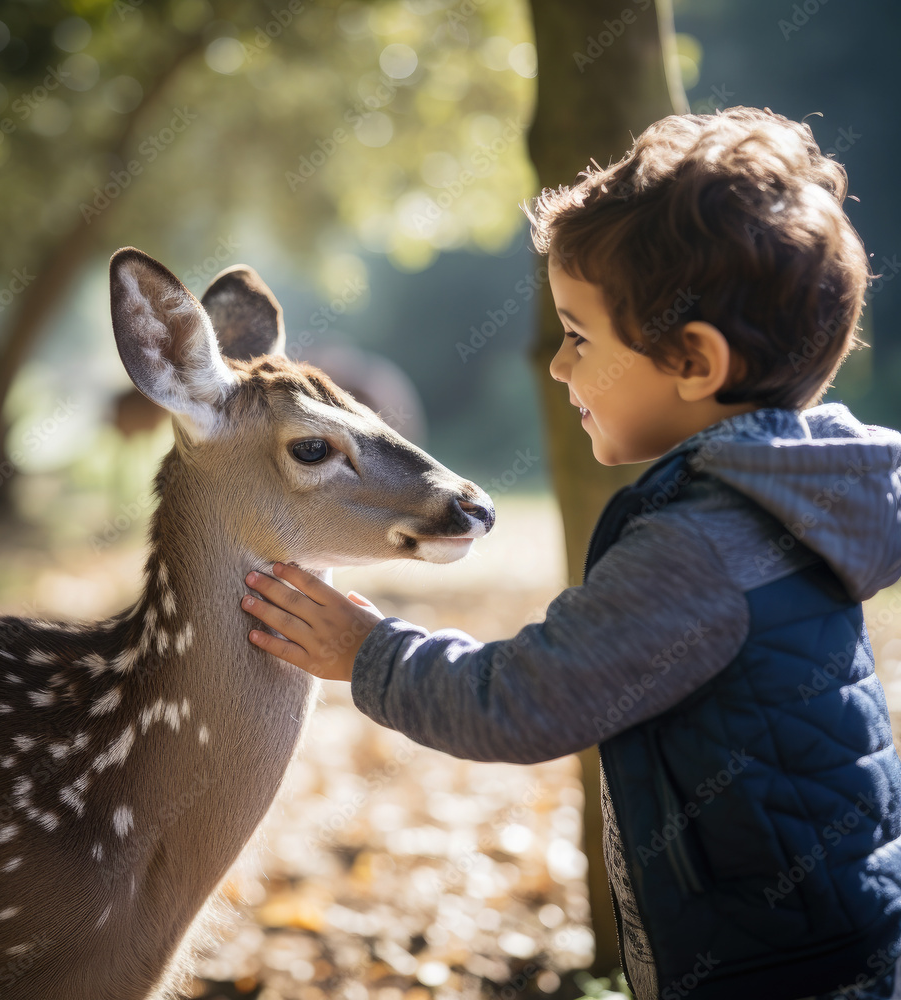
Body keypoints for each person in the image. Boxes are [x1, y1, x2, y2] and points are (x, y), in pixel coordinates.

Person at [239, 106, 901, 1000]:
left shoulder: (704, 545)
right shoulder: (794, 501)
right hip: (829, 932)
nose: (555, 366)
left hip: (767, 967)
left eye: (580, 337)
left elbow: (521, 702)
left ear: (694, 363)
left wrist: (369, 651)